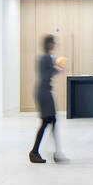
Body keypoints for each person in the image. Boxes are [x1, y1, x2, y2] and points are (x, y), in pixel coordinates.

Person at [30, 34, 67, 163]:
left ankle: (50, 153)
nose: (54, 45)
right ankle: (36, 152)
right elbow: (46, 75)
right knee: (48, 121)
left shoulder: (45, 57)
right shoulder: (46, 57)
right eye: (53, 42)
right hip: (44, 93)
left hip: (43, 92)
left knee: (50, 121)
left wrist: (54, 69)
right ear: (48, 44)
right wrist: (56, 69)